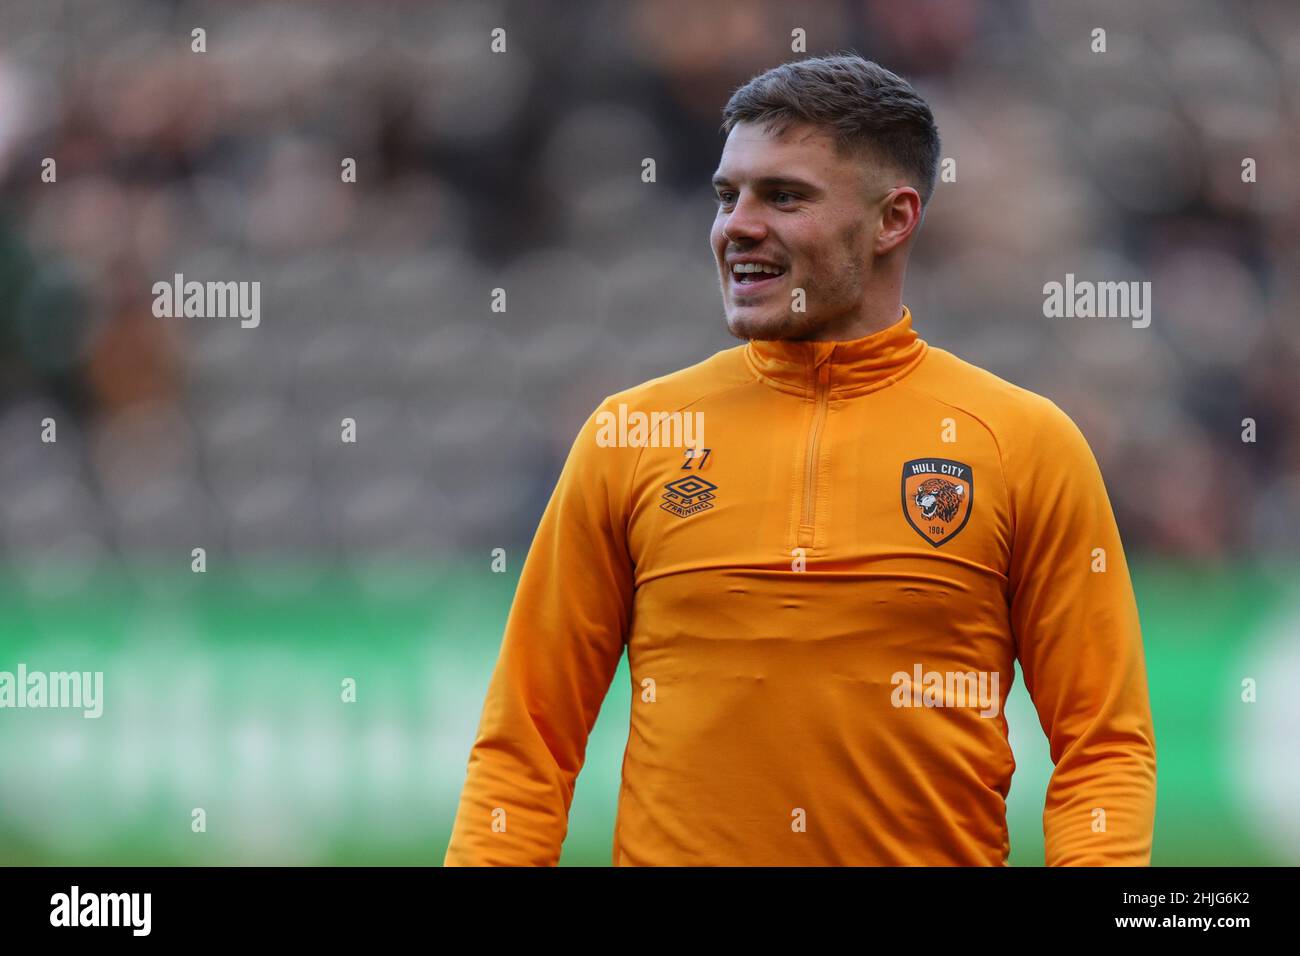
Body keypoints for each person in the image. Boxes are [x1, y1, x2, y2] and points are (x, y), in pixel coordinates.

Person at [444, 53, 1156, 866]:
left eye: (784, 196)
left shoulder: (1024, 442)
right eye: (727, 196)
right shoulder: (630, 434)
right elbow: (526, 739)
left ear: (893, 219)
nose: (736, 226)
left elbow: (1103, 747)